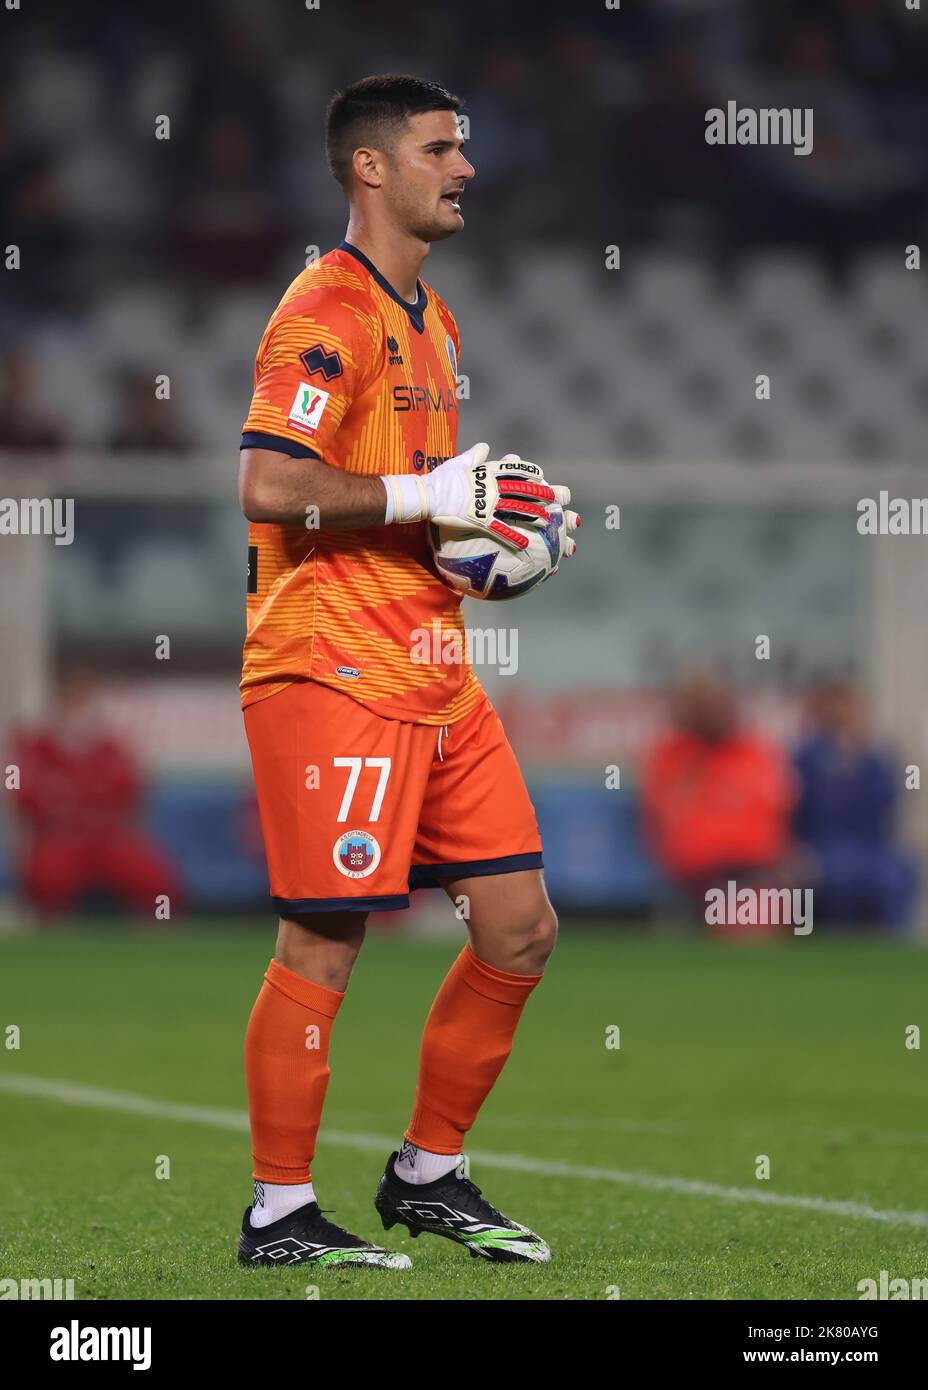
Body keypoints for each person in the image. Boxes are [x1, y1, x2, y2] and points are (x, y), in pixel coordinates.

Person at [236, 75, 579, 1269]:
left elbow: (407, 514)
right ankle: (279, 1212)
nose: (466, 167)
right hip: (329, 665)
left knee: (520, 926)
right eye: (441, 148)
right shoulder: (324, 310)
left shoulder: (431, 319)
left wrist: (489, 550)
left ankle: (425, 1173)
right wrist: (434, 496)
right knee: (324, 942)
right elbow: (272, 487)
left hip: (434, 665)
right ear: (370, 168)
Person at [8, 666, 180, 919]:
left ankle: (157, 930)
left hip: (108, 836)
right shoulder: (35, 746)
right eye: (72, 698)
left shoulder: (111, 748)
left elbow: (132, 793)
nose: (80, 707)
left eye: (85, 698)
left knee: (151, 874)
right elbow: (23, 797)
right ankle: (50, 929)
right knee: (49, 874)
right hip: (59, 837)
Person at [641, 669, 797, 930]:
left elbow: (778, 817)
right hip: (691, 874)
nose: (712, 712)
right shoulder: (669, 757)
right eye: (702, 704)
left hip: (752, 871)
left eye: (718, 703)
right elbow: (656, 822)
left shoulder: (757, 754)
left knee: (757, 921)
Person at [793, 678, 916, 932]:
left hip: (872, 847)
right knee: (838, 877)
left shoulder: (877, 756)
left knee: (899, 872)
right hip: (822, 847)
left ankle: (891, 944)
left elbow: (887, 803)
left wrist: (856, 757)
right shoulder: (805, 756)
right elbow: (798, 810)